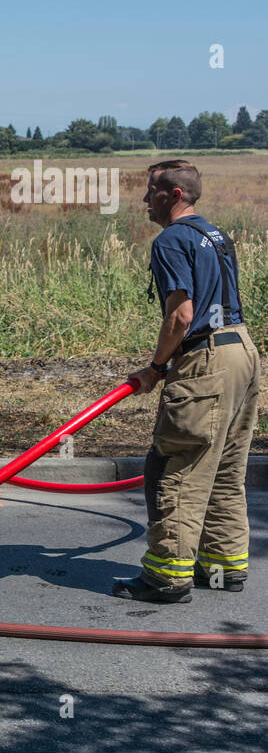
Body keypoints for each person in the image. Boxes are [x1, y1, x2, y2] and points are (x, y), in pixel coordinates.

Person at [113, 160, 260, 603]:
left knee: (176, 468)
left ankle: (166, 578)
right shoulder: (215, 235)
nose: (144, 200)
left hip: (206, 360)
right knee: (225, 471)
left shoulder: (171, 240)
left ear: (174, 195)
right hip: (244, 353)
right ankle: (222, 568)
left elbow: (181, 314)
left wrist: (156, 369)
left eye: (151, 191)